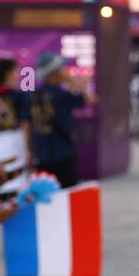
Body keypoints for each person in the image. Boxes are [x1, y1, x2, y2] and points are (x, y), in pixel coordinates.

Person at [25, 53, 92, 189]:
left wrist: (29, 151)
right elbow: (89, 98)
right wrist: (72, 81)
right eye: (62, 69)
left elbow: (27, 125)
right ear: (55, 72)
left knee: (45, 197)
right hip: (63, 154)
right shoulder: (63, 95)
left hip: (41, 155)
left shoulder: (31, 96)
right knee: (67, 195)